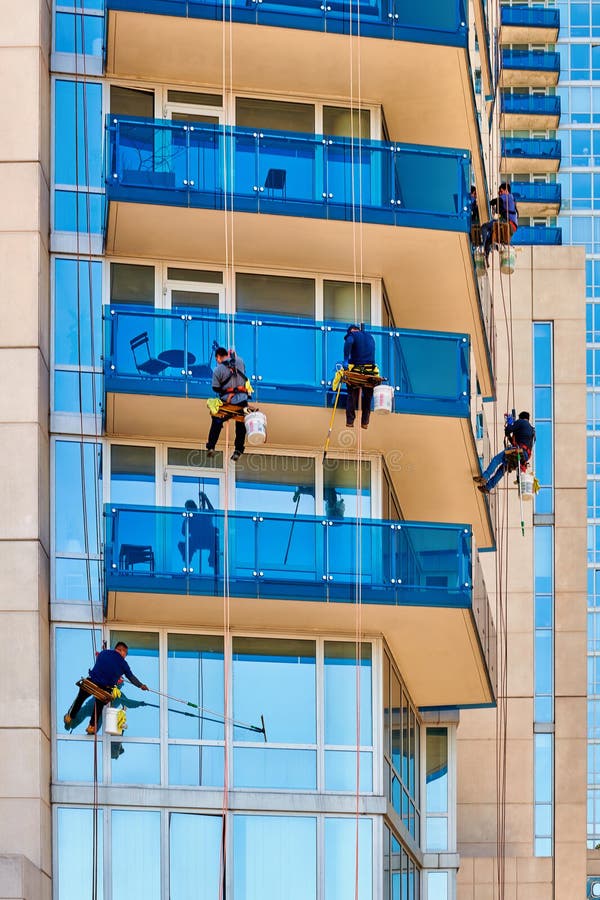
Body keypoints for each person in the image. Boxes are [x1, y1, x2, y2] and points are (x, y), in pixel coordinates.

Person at [64, 642, 149, 735]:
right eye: (126, 653)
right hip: (104, 689)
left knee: (80, 698)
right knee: (99, 705)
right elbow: (131, 678)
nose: (125, 656)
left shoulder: (103, 653)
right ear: (121, 650)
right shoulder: (124, 664)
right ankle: (91, 727)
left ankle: (70, 717)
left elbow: (104, 664)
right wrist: (141, 685)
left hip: (91, 682)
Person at [474, 411, 535, 494]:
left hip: (518, 451)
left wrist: (510, 423)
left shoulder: (521, 422)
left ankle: (485, 477)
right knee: (502, 469)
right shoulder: (532, 431)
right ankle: (488, 487)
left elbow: (508, 430)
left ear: (521, 418)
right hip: (524, 457)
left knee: (496, 459)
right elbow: (521, 442)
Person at [206, 347, 250, 462]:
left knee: (216, 419)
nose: (217, 361)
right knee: (241, 424)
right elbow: (244, 373)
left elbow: (215, 388)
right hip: (242, 400)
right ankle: (238, 450)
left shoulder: (218, 369)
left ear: (218, 357)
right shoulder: (240, 361)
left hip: (228, 401)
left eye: (217, 359)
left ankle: (211, 446)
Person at [343, 324, 378, 430]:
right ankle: (365, 422)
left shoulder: (353, 334)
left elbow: (349, 342)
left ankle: (350, 421)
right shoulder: (370, 336)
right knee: (368, 397)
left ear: (352, 330)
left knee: (352, 393)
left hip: (357, 370)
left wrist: (346, 359)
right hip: (370, 371)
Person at [481, 183, 519, 261]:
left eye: (501, 191)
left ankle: (483, 247)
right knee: (489, 237)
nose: (499, 193)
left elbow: (496, 200)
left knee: (484, 227)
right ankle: (486, 257)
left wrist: (488, 203)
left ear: (506, 191)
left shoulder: (507, 196)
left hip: (508, 224)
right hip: (512, 228)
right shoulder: (512, 200)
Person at [177, 498, 217, 571]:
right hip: (206, 541)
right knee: (184, 544)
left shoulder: (196, 517)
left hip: (201, 541)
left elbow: (184, 533)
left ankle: (188, 558)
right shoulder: (201, 514)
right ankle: (211, 559)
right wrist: (206, 498)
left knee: (184, 544)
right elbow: (211, 510)